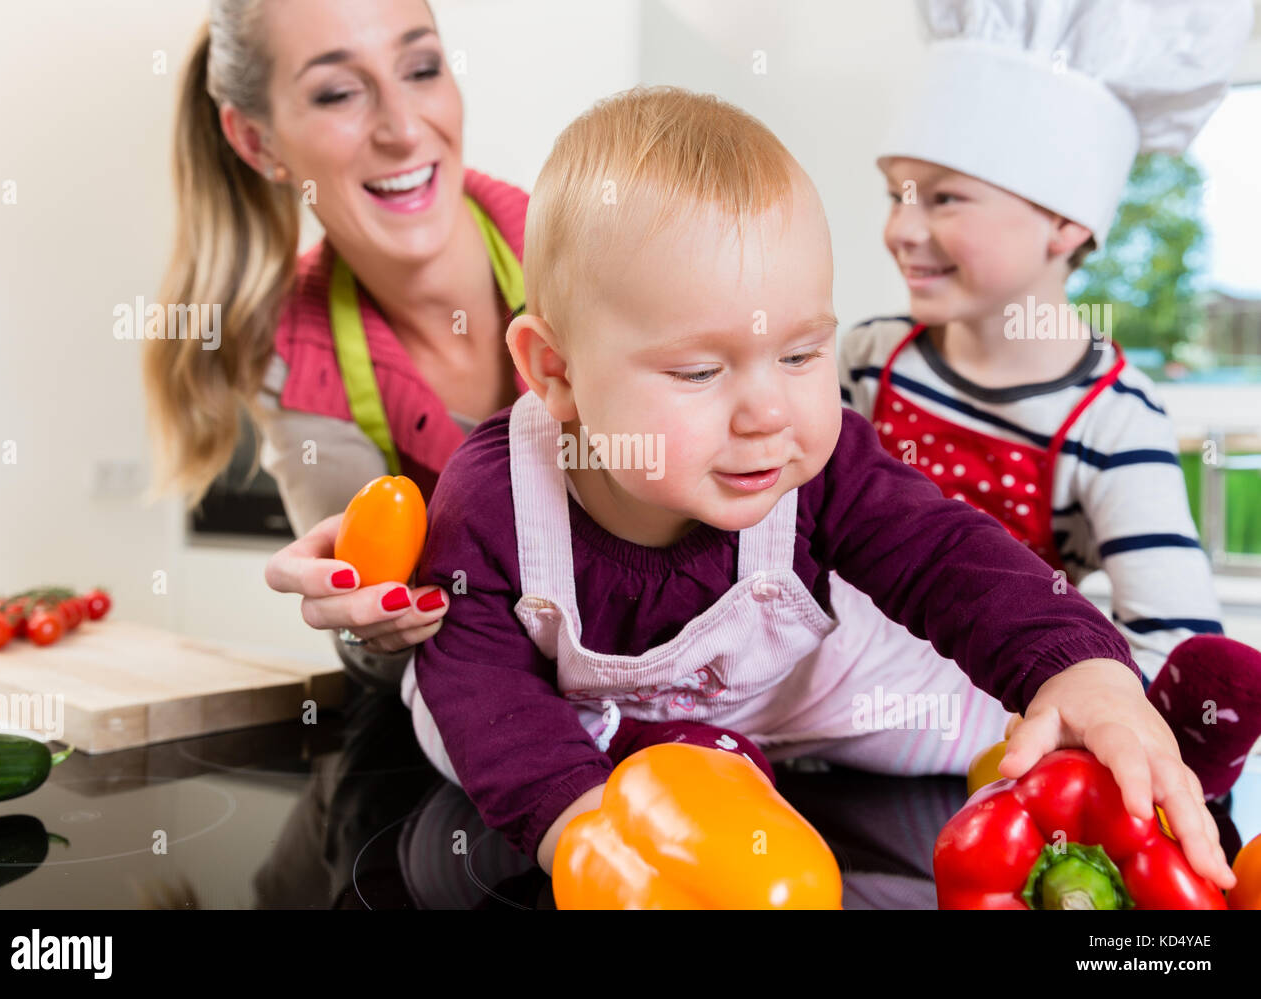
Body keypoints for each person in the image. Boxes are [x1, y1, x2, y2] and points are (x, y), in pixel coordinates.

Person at [402, 85, 1234, 890]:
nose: (770, 411)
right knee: (451, 718)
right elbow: (483, 684)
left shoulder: (824, 466)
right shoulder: (493, 499)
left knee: (1006, 727)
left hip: (817, 697)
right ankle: (679, 761)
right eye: (698, 370)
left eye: (801, 355)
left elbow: (948, 555)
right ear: (556, 370)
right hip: (586, 723)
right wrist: (590, 834)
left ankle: (1160, 732)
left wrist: (1079, 672)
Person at [840, 0, 1261, 803]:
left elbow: (1173, 635)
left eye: (944, 198)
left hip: (1001, 707)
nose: (900, 227)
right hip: (837, 678)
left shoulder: (1114, 416)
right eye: (897, 194)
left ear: (1065, 222)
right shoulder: (867, 357)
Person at [142, 0, 528, 683]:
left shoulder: (590, 254)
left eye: (421, 68)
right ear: (258, 143)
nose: (405, 130)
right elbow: (381, 631)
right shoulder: (295, 356)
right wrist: (368, 628)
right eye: (338, 93)